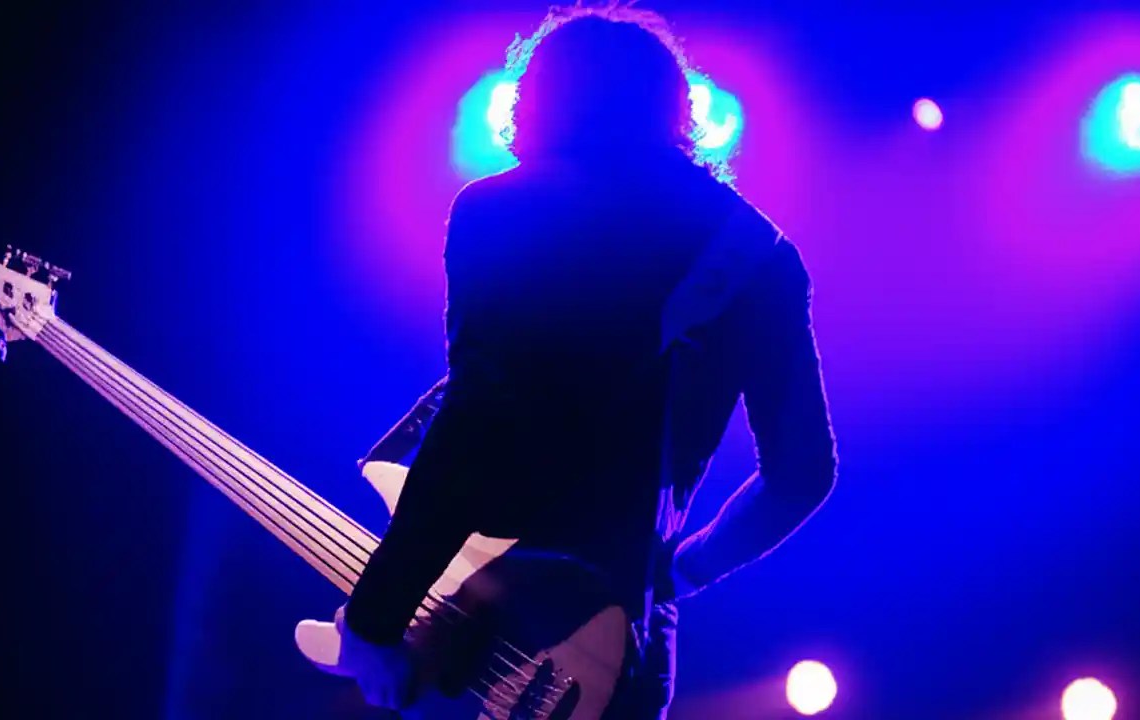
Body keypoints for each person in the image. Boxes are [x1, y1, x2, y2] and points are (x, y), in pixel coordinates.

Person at [315, 5, 837, 717]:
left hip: (470, 619)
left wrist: (378, 618)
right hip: (618, 644)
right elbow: (804, 476)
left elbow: (476, 426)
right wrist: (676, 572)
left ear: (534, 103)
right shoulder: (762, 258)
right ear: (676, 109)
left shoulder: (499, 212)